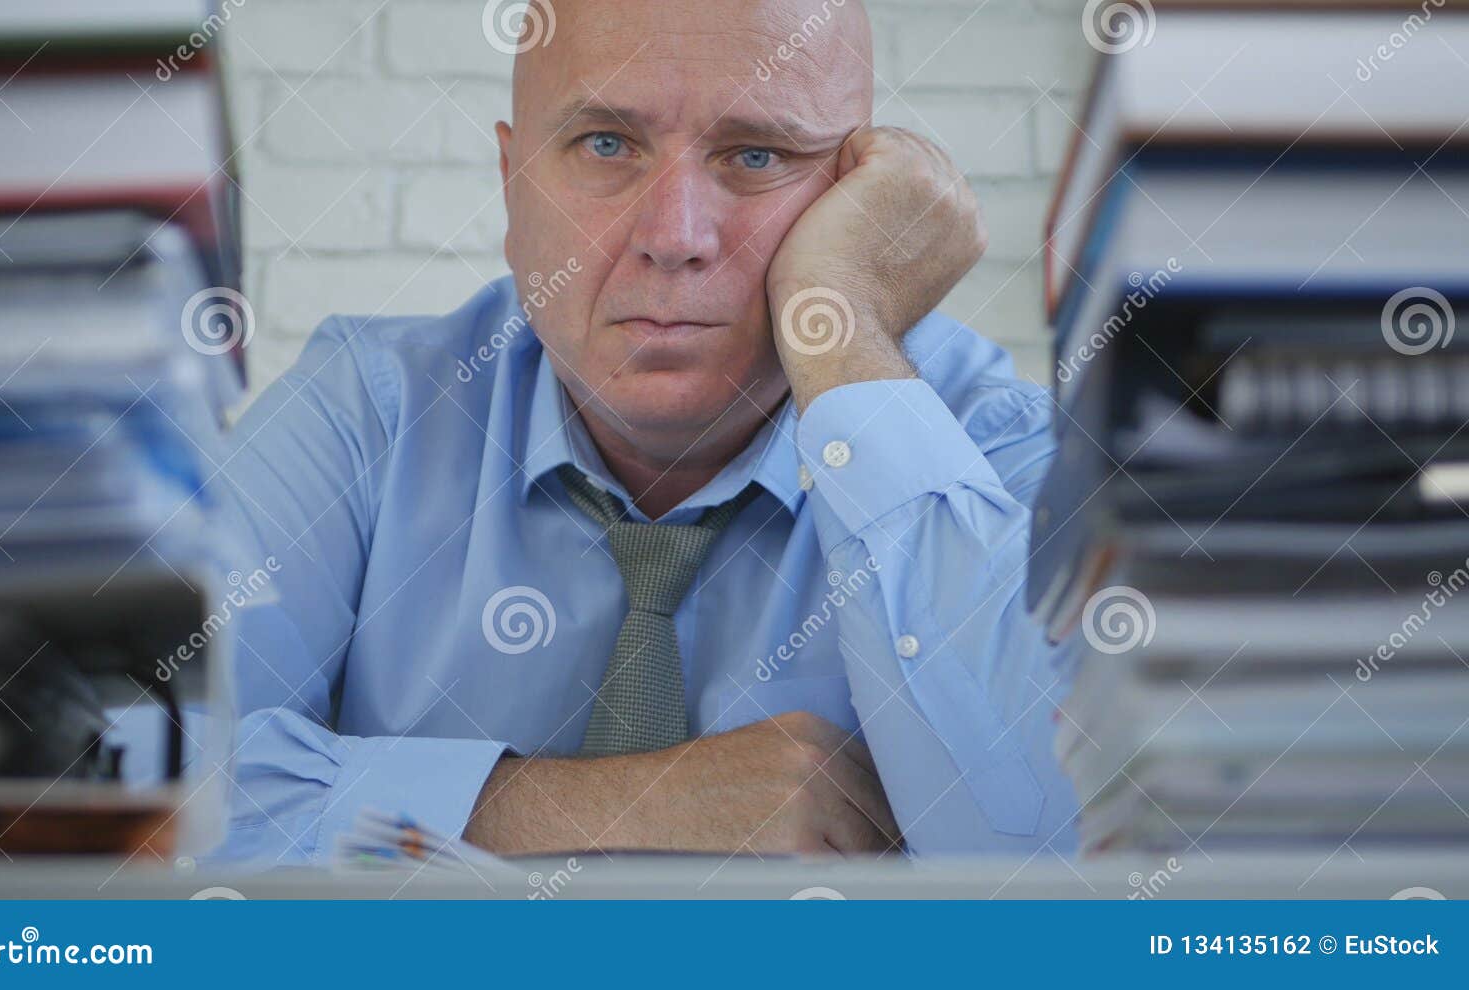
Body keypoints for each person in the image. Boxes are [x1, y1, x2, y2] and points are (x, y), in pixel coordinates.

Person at [212, 0, 1079, 863]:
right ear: (513, 184)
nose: (676, 237)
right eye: (606, 145)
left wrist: (842, 329)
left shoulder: (983, 444)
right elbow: (122, 787)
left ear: (857, 196)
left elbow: (1067, 858)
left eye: (756, 155)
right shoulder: (368, 411)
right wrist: (614, 807)